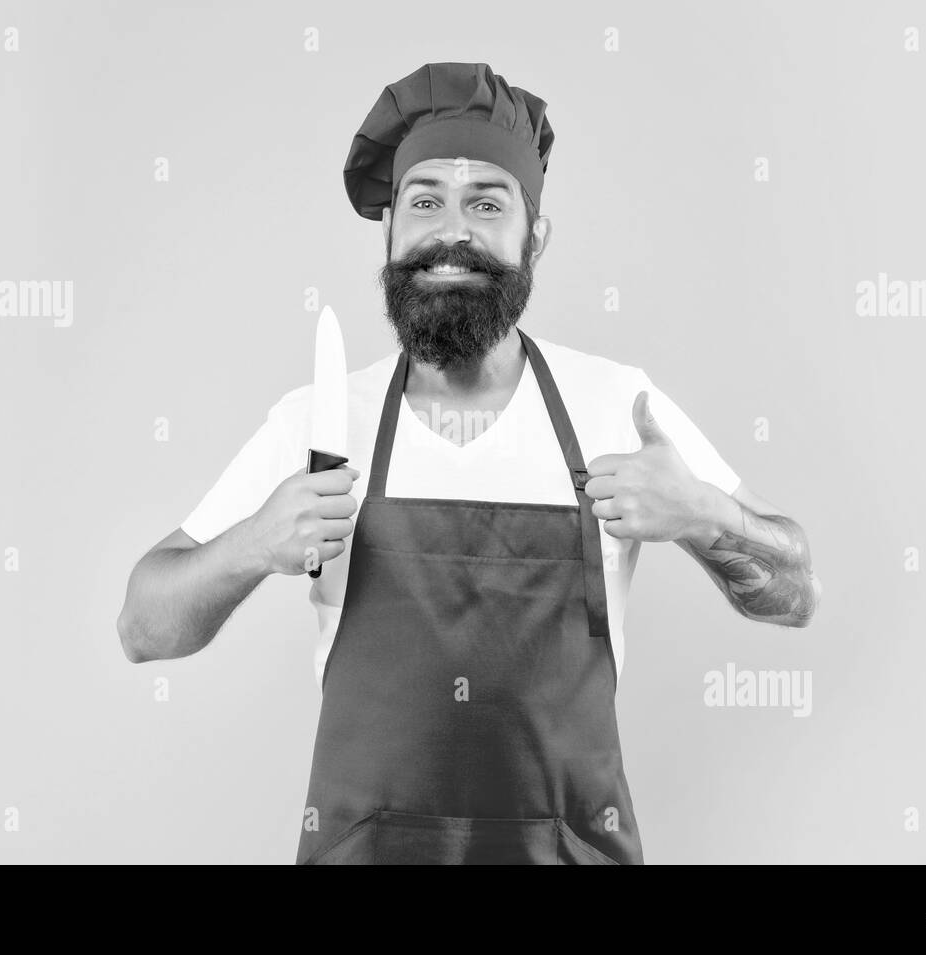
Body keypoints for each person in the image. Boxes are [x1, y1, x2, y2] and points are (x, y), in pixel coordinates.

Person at [116, 62, 822, 865]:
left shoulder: (616, 407)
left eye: (487, 203)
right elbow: (143, 627)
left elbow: (798, 593)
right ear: (390, 232)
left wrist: (709, 515)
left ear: (535, 237)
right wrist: (252, 542)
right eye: (425, 202)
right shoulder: (320, 421)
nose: (452, 232)